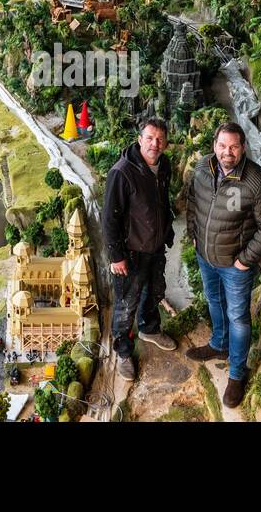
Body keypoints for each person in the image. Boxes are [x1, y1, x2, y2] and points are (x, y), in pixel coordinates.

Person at [184, 121, 261, 408]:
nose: (228, 152)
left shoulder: (256, 182)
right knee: (214, 300)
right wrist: (193, 235)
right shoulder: (202, 168)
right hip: (205, 256)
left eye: (234, 146)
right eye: (223, 146)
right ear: (214, 146)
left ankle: (237, 373)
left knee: (239, 317)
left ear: (243, 148)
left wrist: (245, 260)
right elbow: (192, 203)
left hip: (234, 264)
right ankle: (218, 344)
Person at [103, 117, 178, 381]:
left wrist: (167, 231)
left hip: (155, 246)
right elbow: (109, 218)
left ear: (165, 143)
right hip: (131, 253)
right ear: (140, 139)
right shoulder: (122, 172)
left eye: (159, 139)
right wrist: (117, 256)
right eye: (149, 138)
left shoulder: (164, 166)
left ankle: (150, 329)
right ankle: (123, 352)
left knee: (155, 291)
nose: (154, 144)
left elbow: (162, 202)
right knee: (125, 306)